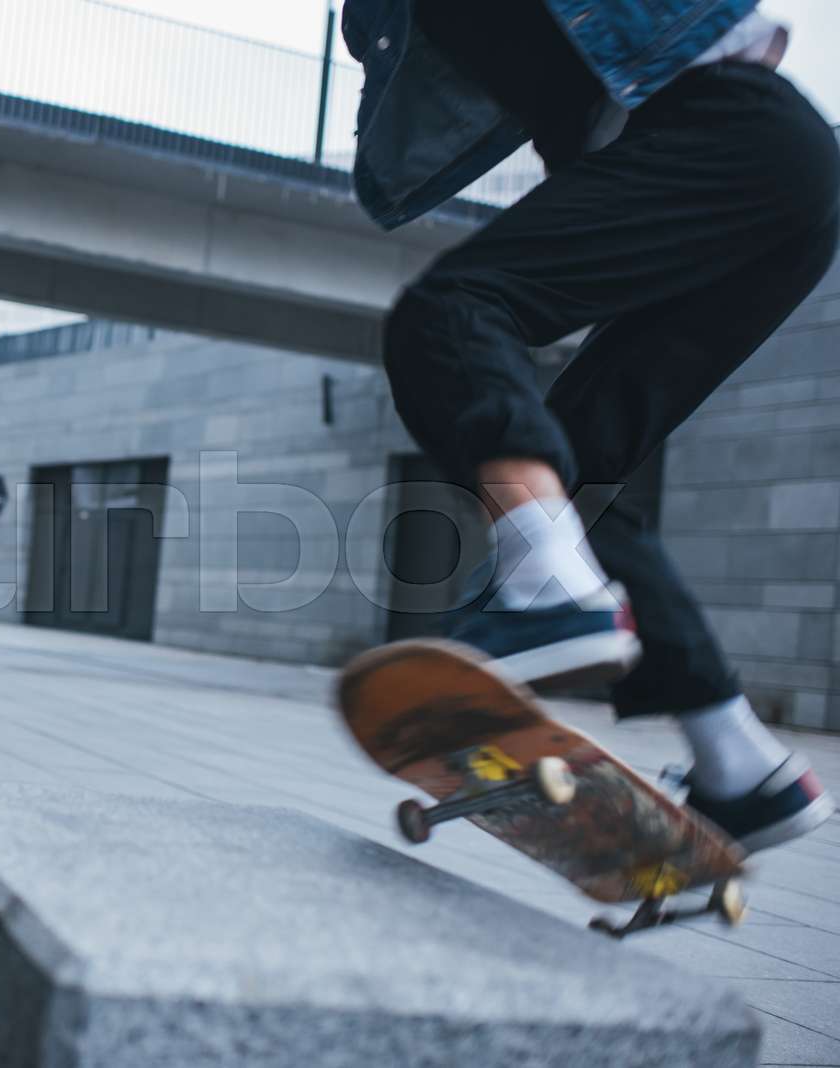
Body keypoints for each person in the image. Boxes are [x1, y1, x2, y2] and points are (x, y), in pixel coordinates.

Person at [345, 0, 836, 849]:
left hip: (731, 128)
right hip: (784, 175)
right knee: (579, 471)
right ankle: (741, 765)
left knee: (450, 313)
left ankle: (545, 594)